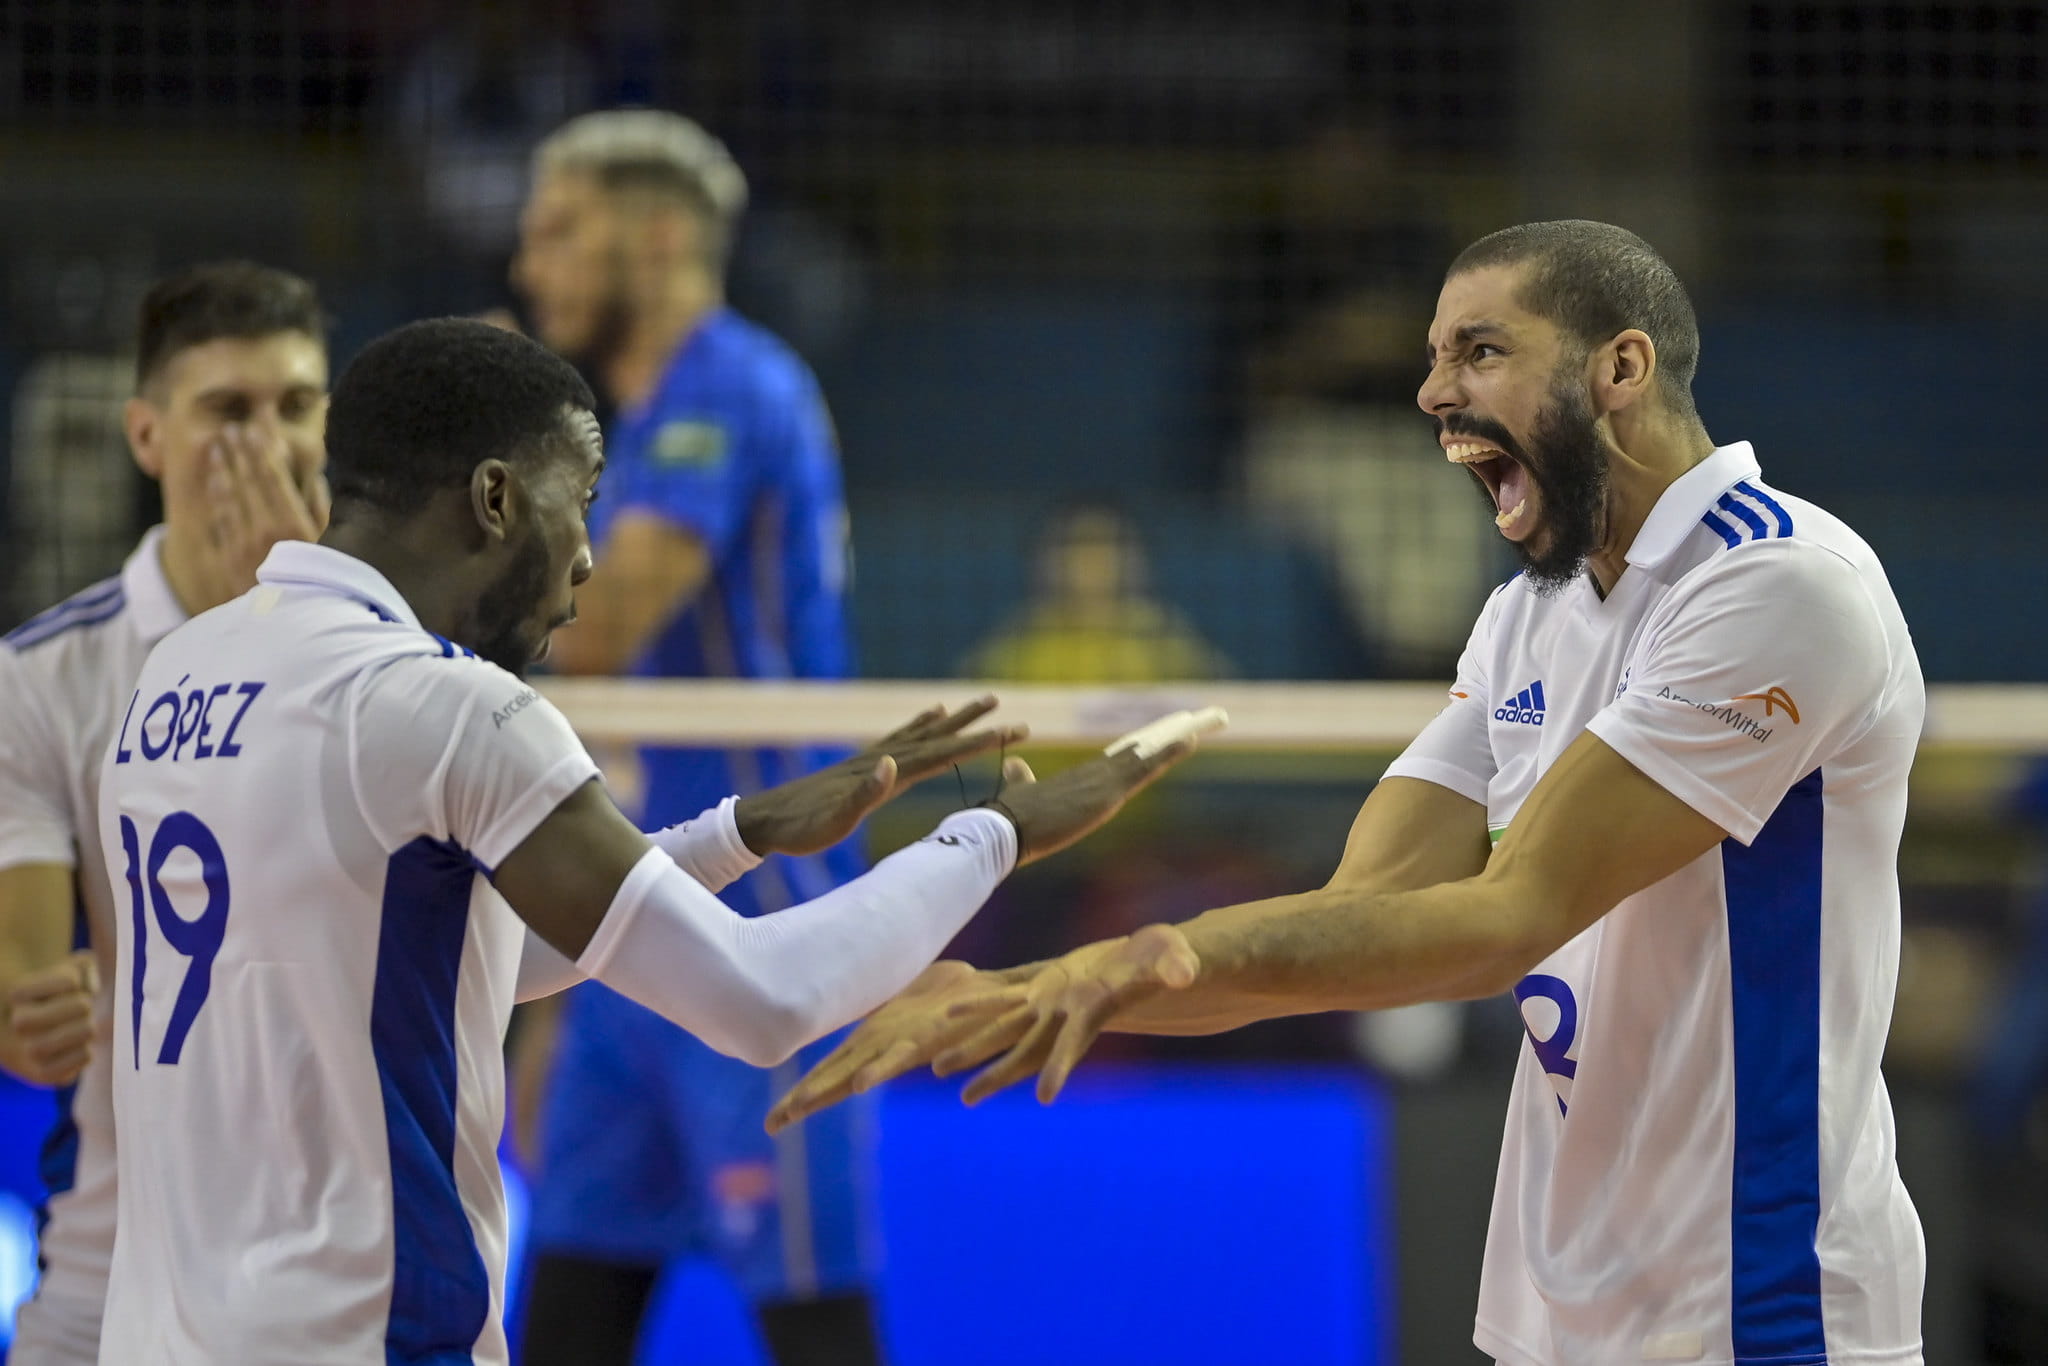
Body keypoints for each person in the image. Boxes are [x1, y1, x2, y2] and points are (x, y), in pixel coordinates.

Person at [773, 221, 1929, 1366]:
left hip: (1764, 1300)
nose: (1430, 392)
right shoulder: (1528, 611)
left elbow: (1502, 917)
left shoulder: (1777, 585)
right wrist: (1034, 989)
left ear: (1617, 369)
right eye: (1431, 356)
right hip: (1562, 1299)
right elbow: (1356, 910)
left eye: (1477, 352)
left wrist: (1134, 954)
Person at [93, 317, 1193, 1365]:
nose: (585, 554)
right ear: (493, 496)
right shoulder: (441, 704)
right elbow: (763, 1001)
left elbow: (441, 962)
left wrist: (733, 832)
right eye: (583, 503)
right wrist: (993, 833)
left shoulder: (175, 671)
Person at [507, 108, 884, 1364]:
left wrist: (467, 506)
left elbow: (597, 626)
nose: (529, 264)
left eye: (561, 229)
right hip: (646, 886)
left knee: (808, 1303)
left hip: (766, 903)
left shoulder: (729, 382)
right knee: (572, 1282)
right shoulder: (645, 412)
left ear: (659, 237)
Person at [0, 261, 331, 1366]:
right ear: (145, 436)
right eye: (226, 411)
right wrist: (29, 1005)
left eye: (296, 406)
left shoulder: (398, 660)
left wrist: (295, 623)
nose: (268, 444)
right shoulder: (47, 675)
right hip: (113, 1269)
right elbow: (25, 965)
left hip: (331, 1274)